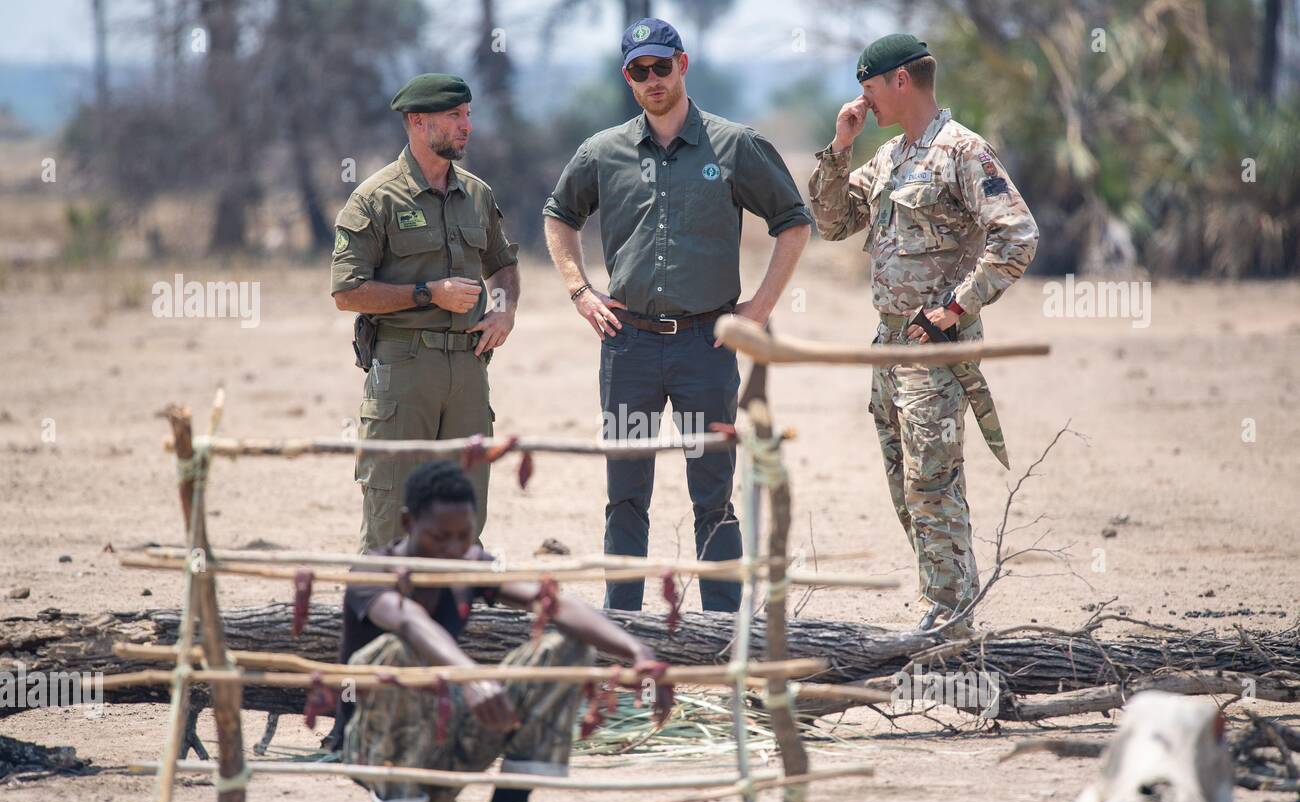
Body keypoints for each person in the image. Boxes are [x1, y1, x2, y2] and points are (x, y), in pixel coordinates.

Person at [543, 17, 813, 613]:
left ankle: (721, 634)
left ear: (682, 65)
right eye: (639, 71)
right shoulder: (603, 151)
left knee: (713, 494)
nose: (652, 80)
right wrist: (580, 292)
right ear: (628, 78)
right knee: (625, 495)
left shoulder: (735, 145)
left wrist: (760, 309)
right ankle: (622, 630)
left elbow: (794, 221)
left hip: (705, 349)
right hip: (629, 348)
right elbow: (559, 215)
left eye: (661, 67)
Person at [807, 34, 1038, 634]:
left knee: (931, 481)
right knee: (904, 485)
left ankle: (950, 617)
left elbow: (1017, 235)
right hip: (887, 346)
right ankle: (944, 599)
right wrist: (840, 145)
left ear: (901, 81)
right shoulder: (890, 156)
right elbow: (831, 223)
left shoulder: (962, 151)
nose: (865, 102)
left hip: (934, 346)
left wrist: (955, 309)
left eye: (869, 90)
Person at [333, 460, 657, 802]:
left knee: (568, 647)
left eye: (463, 536)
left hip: (450, 739)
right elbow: (412, 624)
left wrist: (637, 652)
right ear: (407, 523)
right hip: (375, 746)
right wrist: (472, 678)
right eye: (439, 538)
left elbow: (553, 603)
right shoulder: (374, 573)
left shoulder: (469, 565)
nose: (453, 549)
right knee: (399, 653)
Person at [332, 73, 519, 551]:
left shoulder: (477, 194)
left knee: (465, 512)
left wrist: (503, 309)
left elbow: (503, 266)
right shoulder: (376, 198)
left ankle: (457, 619)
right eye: (455, 116)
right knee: (390, 513)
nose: (467, 126)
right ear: (417, 121)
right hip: (404, 371)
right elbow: (348, 291)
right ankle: (380, 618)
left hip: (468, 372)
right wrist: (427, 293)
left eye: (469, 115)